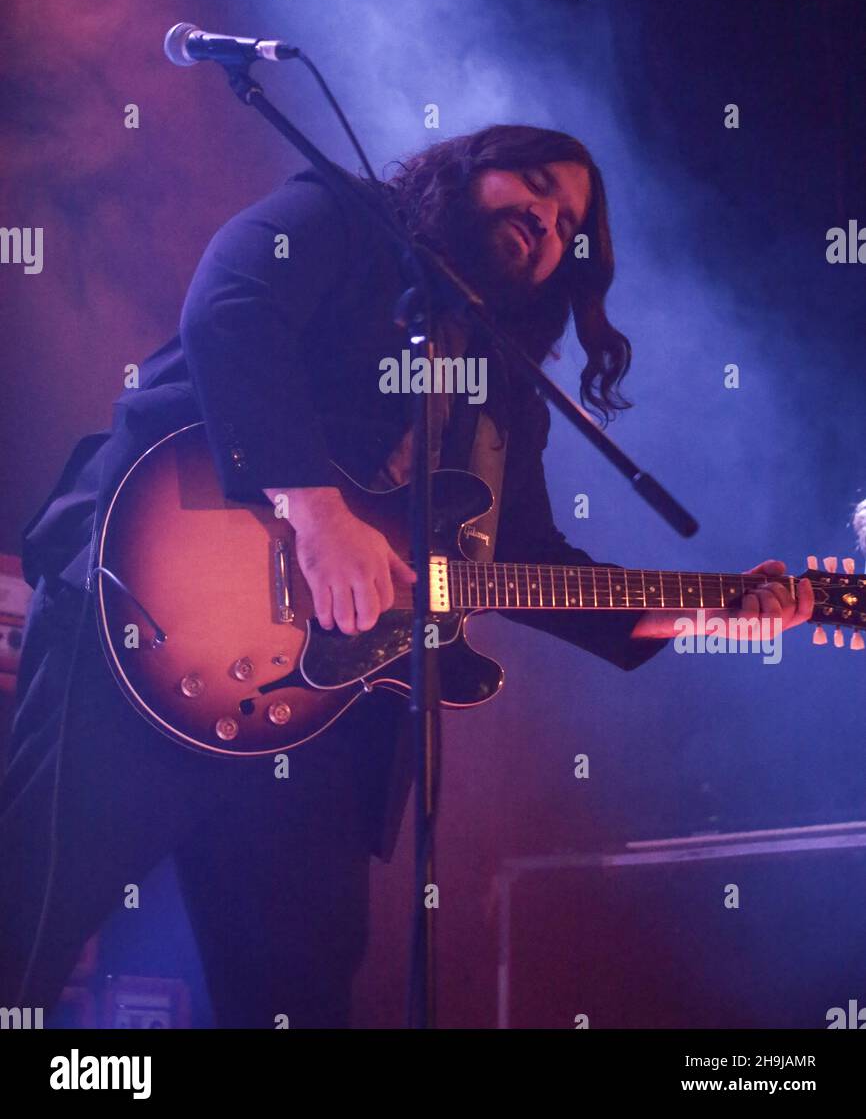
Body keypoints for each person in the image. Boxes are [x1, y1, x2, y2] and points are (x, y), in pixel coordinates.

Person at [0, 124, 812, 1028]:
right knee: (22, 932)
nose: (543, 220)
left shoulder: (501, 389)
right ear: (471, 166)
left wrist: (710, 614)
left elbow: (530, 566)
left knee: (299, 1001)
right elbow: (231, 306)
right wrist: (317, 514)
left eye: (564, 227)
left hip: (317, 712)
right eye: (533, 185)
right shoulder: (342, 215)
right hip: (140, 617)